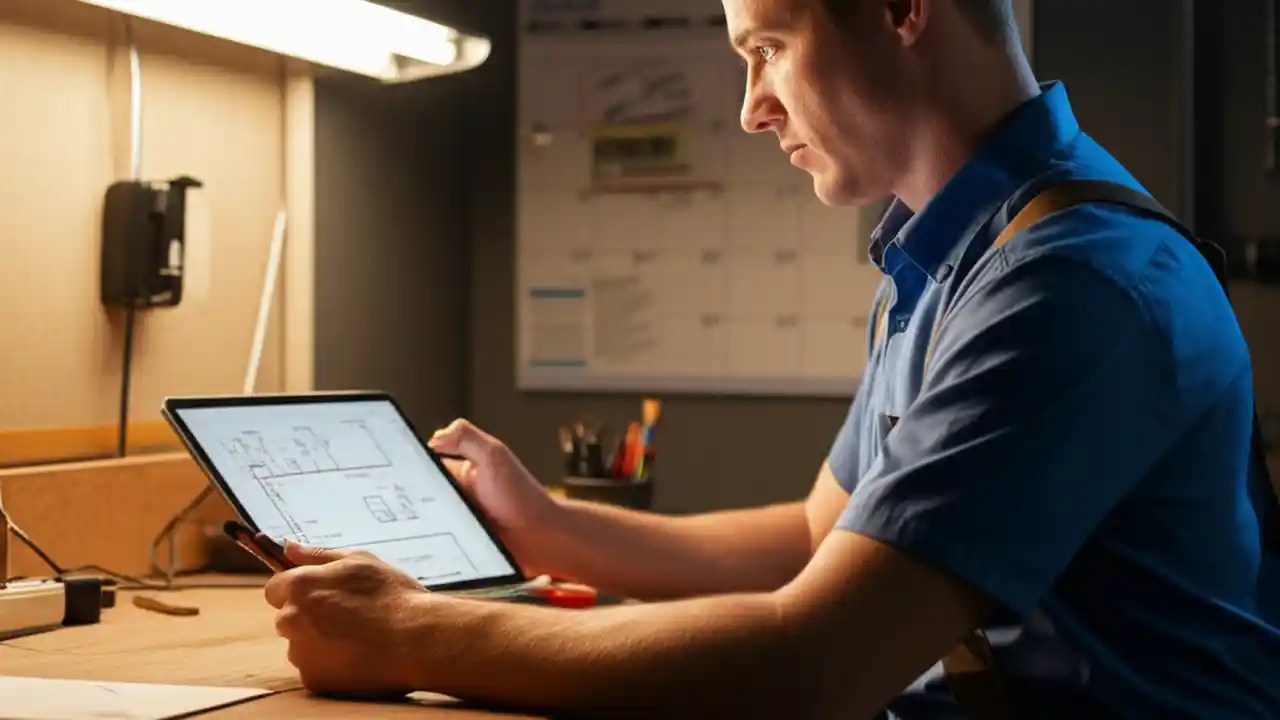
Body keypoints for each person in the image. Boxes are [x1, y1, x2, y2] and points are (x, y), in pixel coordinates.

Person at [263, 0, 1280, 717]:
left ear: (897, 8)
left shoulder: (1068, 283)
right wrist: (549, 527)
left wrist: (414, 637)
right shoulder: (954, 253)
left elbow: (817, 667)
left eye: (768, 47)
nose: (751, 105)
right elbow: (815, 536)